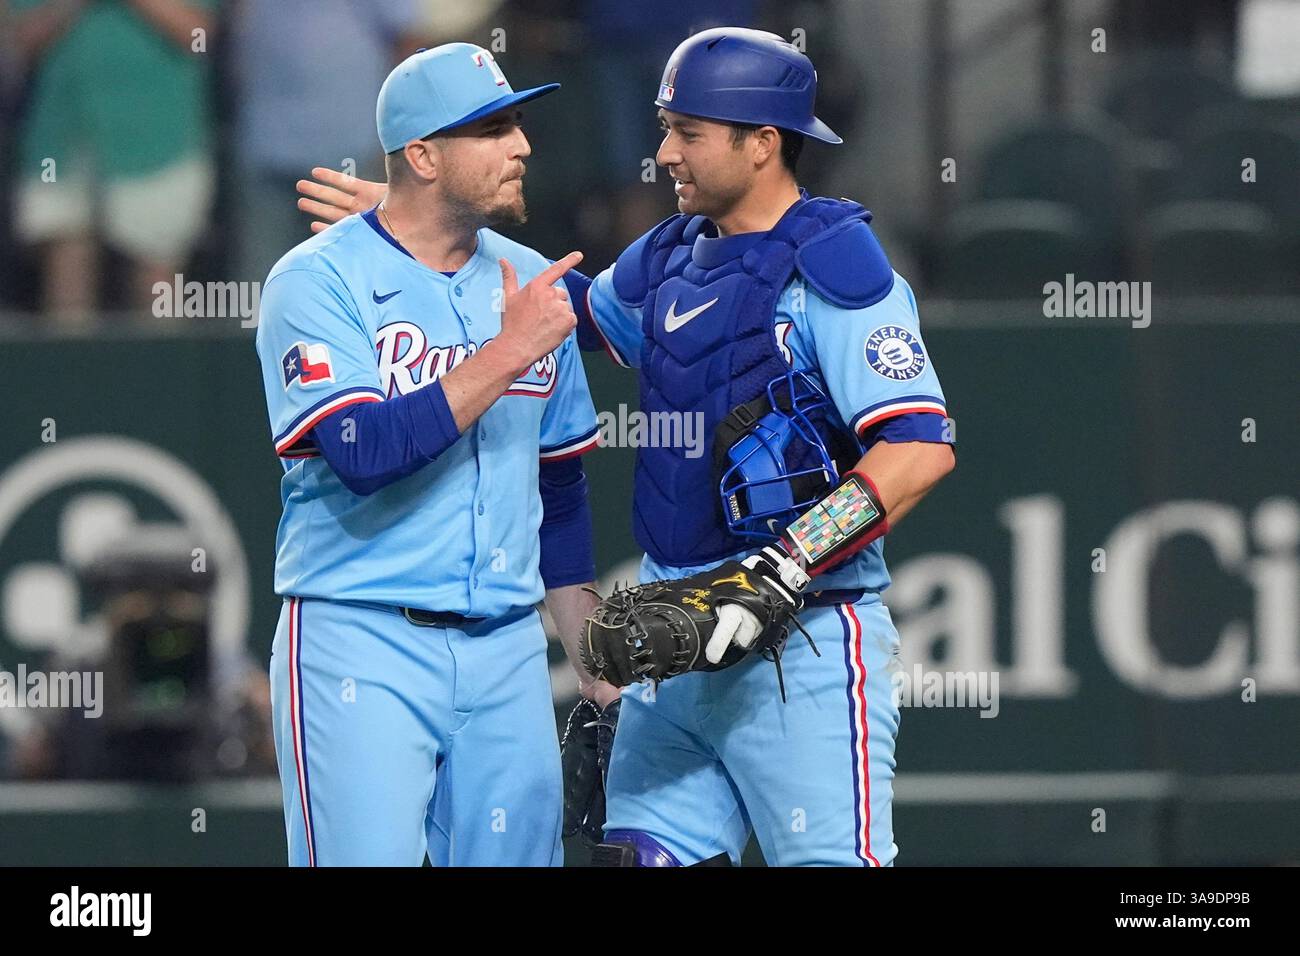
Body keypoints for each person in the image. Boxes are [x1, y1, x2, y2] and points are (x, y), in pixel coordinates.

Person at [293, 28, 956, 867]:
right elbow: (561, 307)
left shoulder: (837, 265)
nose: (662, 152)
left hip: (805, 642)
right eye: (665, 126)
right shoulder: (674, 254)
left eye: (687, 132)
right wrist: (410, 227)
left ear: (761, 144)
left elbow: (920, 448)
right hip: (674, 637)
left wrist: (784, 566)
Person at [254, 43, 607, 866]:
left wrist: (591, 662)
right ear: (422, 155)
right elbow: (361, 450)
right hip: (360, 639)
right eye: (491, 128)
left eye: (517, 123)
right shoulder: (315, 280)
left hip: (509, 653)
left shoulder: (531, 279)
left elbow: (559, 487)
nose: (520, 145)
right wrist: (508, 352)